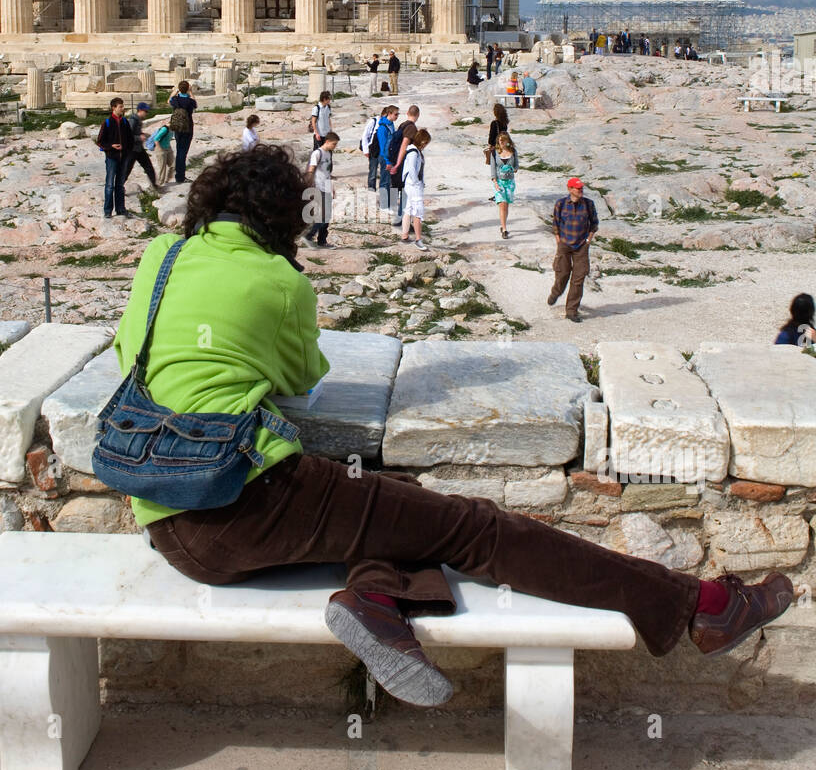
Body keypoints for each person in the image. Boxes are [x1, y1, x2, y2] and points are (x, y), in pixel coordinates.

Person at [119, 146, 796, 712]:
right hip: (249, 504)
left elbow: (131, 356)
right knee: (475, 528)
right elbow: (300, 378)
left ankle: (377, 598)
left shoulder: (160, 259)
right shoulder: (275, 280)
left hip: (164, 518)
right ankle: (697, 606)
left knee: (395, 506)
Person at [548, 176, 599, 322]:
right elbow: (555, 224)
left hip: (581, 245)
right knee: (562, 274)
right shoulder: (561, 204)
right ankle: (556, 292)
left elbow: (594, 224)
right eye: (577, 188)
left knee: (579, 278)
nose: (580, 190)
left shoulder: (589, 204)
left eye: (581, 188)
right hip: (564, 244)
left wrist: (588, 240)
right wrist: (559, 241)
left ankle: (571, 311)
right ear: (570, 189)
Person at [96, 97, 134, 220]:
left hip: (123, 157)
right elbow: (100, 141)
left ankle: (120, 209)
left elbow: (130, 139)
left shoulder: (125, 122)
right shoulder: (107, 123)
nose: (122, 109)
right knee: (109, 185)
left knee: (120, 185)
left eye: (123, 106)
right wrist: (111, 146)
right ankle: (107, 211)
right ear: (114, 108)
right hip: (112, 157)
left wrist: (126, 149)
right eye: (120, 107)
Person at [304, 131, 338, 247]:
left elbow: (327, 172)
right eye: (334, 144)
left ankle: (322, 241)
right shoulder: (317, 153)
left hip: (326, 186)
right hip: (318, 187)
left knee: (327, 216)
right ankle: (309, 236)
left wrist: (331, 188)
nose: (335, 146)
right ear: (327, 141)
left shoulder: (329, 154)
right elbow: (311, 170)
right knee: (323, 216)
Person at [387, 105, 419, 227]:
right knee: (406, 192)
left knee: (398, 190)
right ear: (418, 115)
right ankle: (402, 220)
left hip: (397, 161)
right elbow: (404, 146)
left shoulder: (403, 124)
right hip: (403, 163)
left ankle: (399, 217)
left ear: (407, 113)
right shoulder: (411, 128)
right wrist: (398, 163)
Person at [400, 128, 431, 249]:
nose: (426, 145)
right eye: (426, 143)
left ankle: (405, 235)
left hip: (411, 184)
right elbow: (412, 169)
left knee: (409, 209)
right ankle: (418, 240)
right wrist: (417, 182)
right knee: (418, 210)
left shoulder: (414, 150)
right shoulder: (413, 152)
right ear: (422, 141)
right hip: (413, 185)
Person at [123, 102, 160, 192]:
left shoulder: (138, 120)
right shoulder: (133, 120)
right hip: (132, 149)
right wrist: (139, 137)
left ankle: (154, 186)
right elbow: (127, 135)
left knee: (148, 166)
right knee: (126, 169)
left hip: (139, 148)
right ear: (140, 110)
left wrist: (142, 134)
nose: (147, 113)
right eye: (145, 111)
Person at [168, 80, 198, 184]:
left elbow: (169, 101)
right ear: (188, 89)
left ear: (179, 89)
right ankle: (180, 176)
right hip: (188, 128)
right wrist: (191, 92)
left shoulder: (175, 100)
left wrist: (175, 91)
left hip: (177, 128)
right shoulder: (190, 101)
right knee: (182, 153)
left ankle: (178, 174)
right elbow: (196, 104)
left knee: (179, 149)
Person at [490, 131, 518, 240]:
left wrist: (511, 170)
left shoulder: (513, 152)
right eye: (500, 140)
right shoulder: (494, 153)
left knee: (506, 205)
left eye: (503, 140)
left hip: (510, 182)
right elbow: (492, 169)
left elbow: (516, 166)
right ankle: (504, 229)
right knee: (502, 204)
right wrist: (495, 182)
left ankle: (503, 225)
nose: (501, 142)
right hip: (499, 182)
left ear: (507, 141)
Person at [376, 104, 398, 215]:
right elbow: (383, 145)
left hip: (390, 156)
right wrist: (388, 161)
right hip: (385, 158)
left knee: (390, 181)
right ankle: (384, 205)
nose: (397, 116)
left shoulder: (391, 124)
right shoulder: (382, 128)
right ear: (389, 113)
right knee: (384, 181)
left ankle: (390, 203)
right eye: (395, 114)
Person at [147, 116, 176, 186]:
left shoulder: (173, 128)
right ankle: (159, 184)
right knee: (162, 168)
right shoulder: (165, 129)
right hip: (160, 148)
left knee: (173, 165)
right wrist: (160, 149)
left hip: (168, 147)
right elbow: (156, 139)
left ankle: (167, 180)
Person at [360, 108, 383, 190]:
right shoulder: (374, 122)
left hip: (382, 151)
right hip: (373, 150)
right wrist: (365, 150)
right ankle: (371, 190)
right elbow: (365, 136)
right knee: (373, 172)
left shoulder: (389, 123)